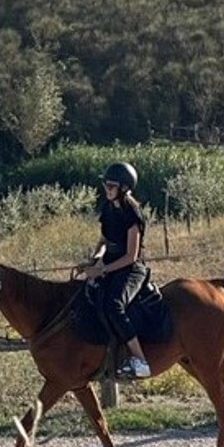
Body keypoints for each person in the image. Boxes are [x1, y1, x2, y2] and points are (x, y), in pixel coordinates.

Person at [74, 162, 151, 379]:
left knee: (113, 305)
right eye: (105, 185)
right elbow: (104, 241)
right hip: (109, 264)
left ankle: (140, 360)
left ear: (124, 188)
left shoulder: (132, 214)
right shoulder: (108, 208)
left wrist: (102, 270)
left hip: (131, 269)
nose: (107, 189)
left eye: (111, 186)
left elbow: (131, 256)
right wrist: (93, 260)